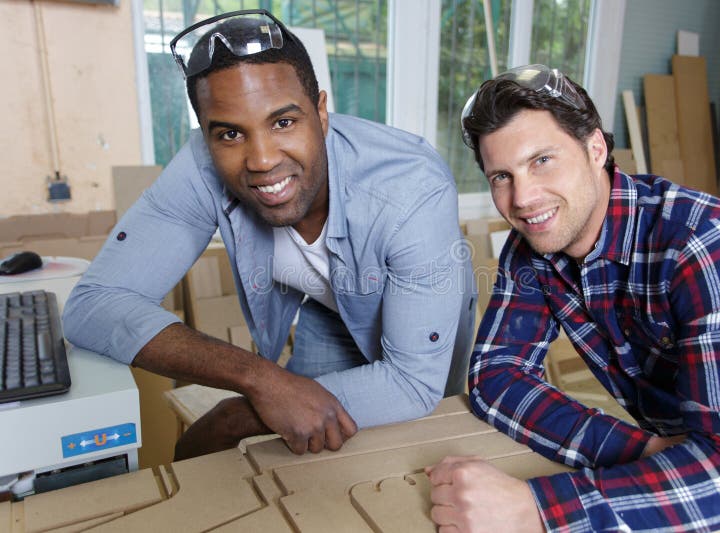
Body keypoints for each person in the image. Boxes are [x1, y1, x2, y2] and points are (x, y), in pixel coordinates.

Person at [63, 9, 475, 460]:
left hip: (415, 332)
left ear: (320, 111)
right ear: (207, 136)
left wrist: (233, 418)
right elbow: (93, 306)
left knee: (405, 458)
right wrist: (259, 378)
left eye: (283, 122)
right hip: (327, 311)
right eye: (230, 134)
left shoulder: (412, 187)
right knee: (311, 458)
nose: (261, 160)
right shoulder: (200, 167)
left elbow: (413, 382)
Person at [426, 64, 720, 531]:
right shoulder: (535, 248)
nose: (522, 198)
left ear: (596, 149)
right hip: (697, 475)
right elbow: (495, 376)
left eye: (542, 160)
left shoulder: (706, 246)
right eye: (501, 176)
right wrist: (641, 450)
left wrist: (538, 509)